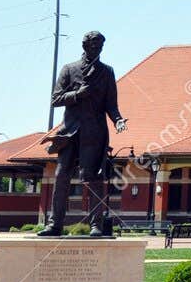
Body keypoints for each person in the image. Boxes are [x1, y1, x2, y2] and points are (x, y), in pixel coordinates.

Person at [41, 30, 127, 237]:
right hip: (70, 132)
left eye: (100, 46)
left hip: (95, 132)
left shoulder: (107, 72)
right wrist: (77, 95)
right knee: (62, 175)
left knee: (94, 178)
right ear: (85, 46)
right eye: (94, 45)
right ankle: (55, 224)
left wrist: (118, 120)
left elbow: (111, 105)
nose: (97, 49)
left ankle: (96, 225)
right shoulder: (69, 69)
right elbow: (55, 99)